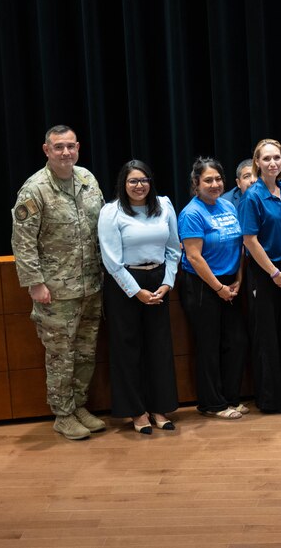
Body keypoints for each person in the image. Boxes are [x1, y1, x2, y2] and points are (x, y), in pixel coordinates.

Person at [11, 125, 106, 440]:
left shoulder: (87, 180)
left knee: (85, 352)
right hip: (55, 291)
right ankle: (63, 414)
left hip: (91, 285)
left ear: (77, 147)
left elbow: (102, 227)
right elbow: (23, 241)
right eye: (58, 147)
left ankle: (79, 406)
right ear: (46, 150)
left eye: (70, 146)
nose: (66, 152)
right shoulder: (35, 189)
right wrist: (35, 283)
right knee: (60, 355)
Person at [98, 160, 180, 434]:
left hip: (158, 282)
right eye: (133, 181)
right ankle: (137, 411)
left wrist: (167, 283)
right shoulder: (112, 212)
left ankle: (160, 407)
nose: (139, 185)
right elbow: (111, 260)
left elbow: (173, 250)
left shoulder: (164, 205)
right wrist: (136, 292)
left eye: (143, 180)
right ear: (123, 183)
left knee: (159, 347)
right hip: (126, 285)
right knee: (128, 349)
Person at [178, 157, 248, 420]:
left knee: (237, 341)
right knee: (209, 346)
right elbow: (195, 258)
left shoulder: (229, 206)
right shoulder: (191, 213)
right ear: (196, 183)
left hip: (230, 283)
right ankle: (212, 404)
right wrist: (219, 287)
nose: (215, 184)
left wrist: (238, 278)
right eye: (208, 180)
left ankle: (230, 398)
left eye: (218, 179)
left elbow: (239, 246)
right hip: (202, 286)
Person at [239, 138, 281, 414]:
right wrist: (275, 272)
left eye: (277, 157)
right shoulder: (252, 196)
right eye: (266, 159)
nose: (272, 163)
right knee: (267, 338)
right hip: (265, 273)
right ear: (257, 163)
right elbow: (250, 240)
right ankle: (270, 400)